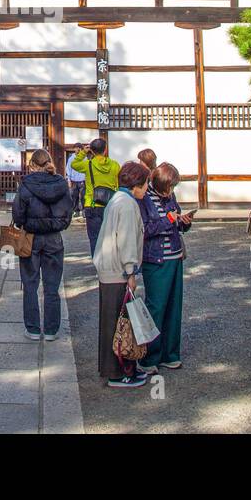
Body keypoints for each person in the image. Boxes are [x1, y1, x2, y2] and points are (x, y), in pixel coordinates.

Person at [93, 160, 150, 389]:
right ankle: (118, 373)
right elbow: (126, 240)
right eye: (145, 184)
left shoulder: (118, 199)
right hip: (117, 270)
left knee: (112, 321)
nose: (146, 189)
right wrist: (131, 270)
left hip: (109, 268)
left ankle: (116, 368)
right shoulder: (127, 204)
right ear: (136, 183)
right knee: (119, 323)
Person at [11, 149, 73, 341]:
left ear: (32, 165)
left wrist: (25, 223)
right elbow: (68, 212)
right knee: (52, 285)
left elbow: (18, 214)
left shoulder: (26, 184)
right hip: (54, 237)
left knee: (30, 283)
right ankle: (52, 330)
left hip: (31, 236)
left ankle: (33, 328)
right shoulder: (61, 184)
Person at [136, 161, 191, 373]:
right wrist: (169, 220)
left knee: (174, 306)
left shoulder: (170, 197)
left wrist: (183, 221)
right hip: (156, 258)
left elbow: (175, 219)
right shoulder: (145, 198)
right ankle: (150, 356)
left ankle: (171, 354)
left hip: (175, 256)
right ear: (160, 184)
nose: (172, 191)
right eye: (170, 187)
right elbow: (145, 229)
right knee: (156, 307)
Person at [69, 137, 120, 256]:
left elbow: (74, 164)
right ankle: (111, 263)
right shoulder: (115, 165)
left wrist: (83, 152)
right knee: (111, 236)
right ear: (105, 149)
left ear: (92, 151)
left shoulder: (88, 165)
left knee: (95, 238)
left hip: (92, 204)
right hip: (110, 204)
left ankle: (98, 264)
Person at [65, 146, 87, 218]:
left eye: (79, 148)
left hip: (82, 180)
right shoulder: (71, 158)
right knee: (74, 197)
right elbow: (68, 169)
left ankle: (84, 211)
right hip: (74, 180)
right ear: (74, 149)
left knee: (83, 197)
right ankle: (76, 211)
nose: (77, 150)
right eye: (76, 148)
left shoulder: (85, 158)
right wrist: (69, 180)